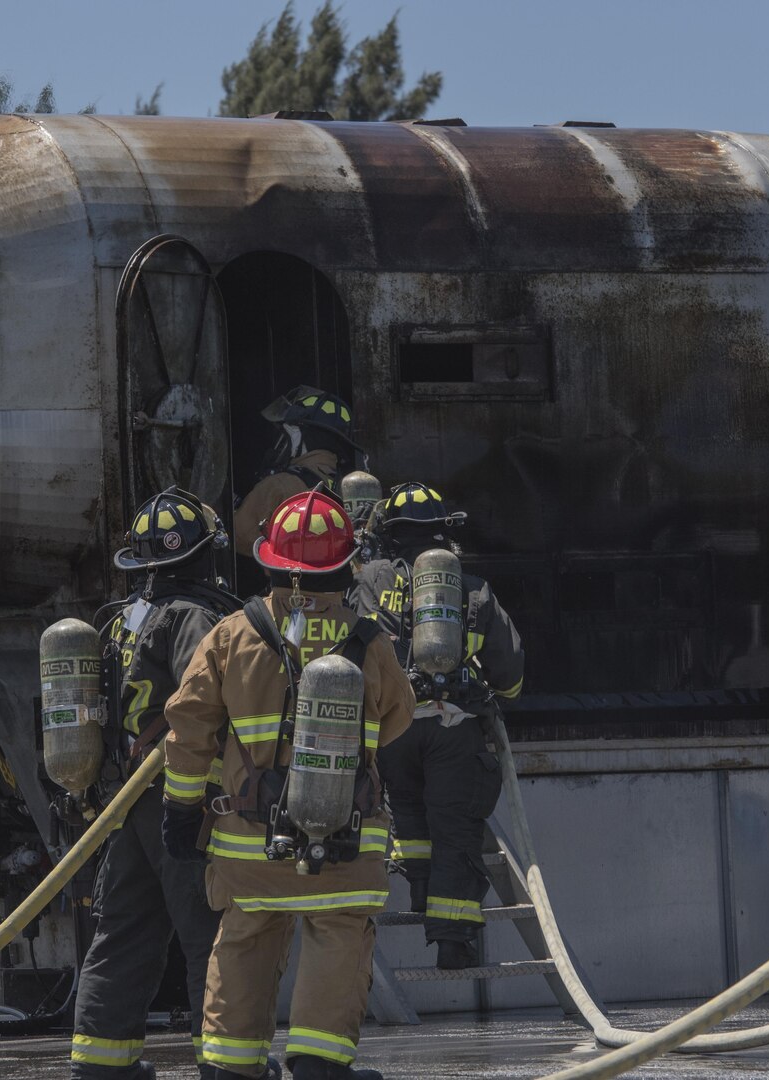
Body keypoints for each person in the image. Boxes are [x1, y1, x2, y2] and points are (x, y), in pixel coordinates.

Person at [163, 489, 415, 1080]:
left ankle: (230, 1065)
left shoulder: (228, 636)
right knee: (336, 935)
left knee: (245, 936)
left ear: (269, 561)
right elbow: (399, 714)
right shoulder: (370, 641)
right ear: (345, 564)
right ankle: (320, 1063)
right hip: (344, 844)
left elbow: (188, 725)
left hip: (249, 848)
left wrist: (181, 808)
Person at [71, 488, 242, 1080]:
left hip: (127, 804)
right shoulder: (195, 616)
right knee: (210, 934)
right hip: (181, 796)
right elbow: (203, 703)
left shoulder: (123, 619)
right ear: (201, 555)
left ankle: (100, 1064)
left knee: (123, 933)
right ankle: (224, 1064)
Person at [347, 482, 525, 970]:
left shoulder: (370, 579)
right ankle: (453, 944)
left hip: (394, 726)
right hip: (455, 728)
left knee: (407, 810)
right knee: (456, 829)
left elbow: (351, 648)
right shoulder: (468, 584)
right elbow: (509, 670)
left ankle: (420, 893)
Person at [233, 387, 365, 558]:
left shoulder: (279, 486)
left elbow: (237, 537)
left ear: (300, 437)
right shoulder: (346, 486)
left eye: (283, 434)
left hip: (290, 582)